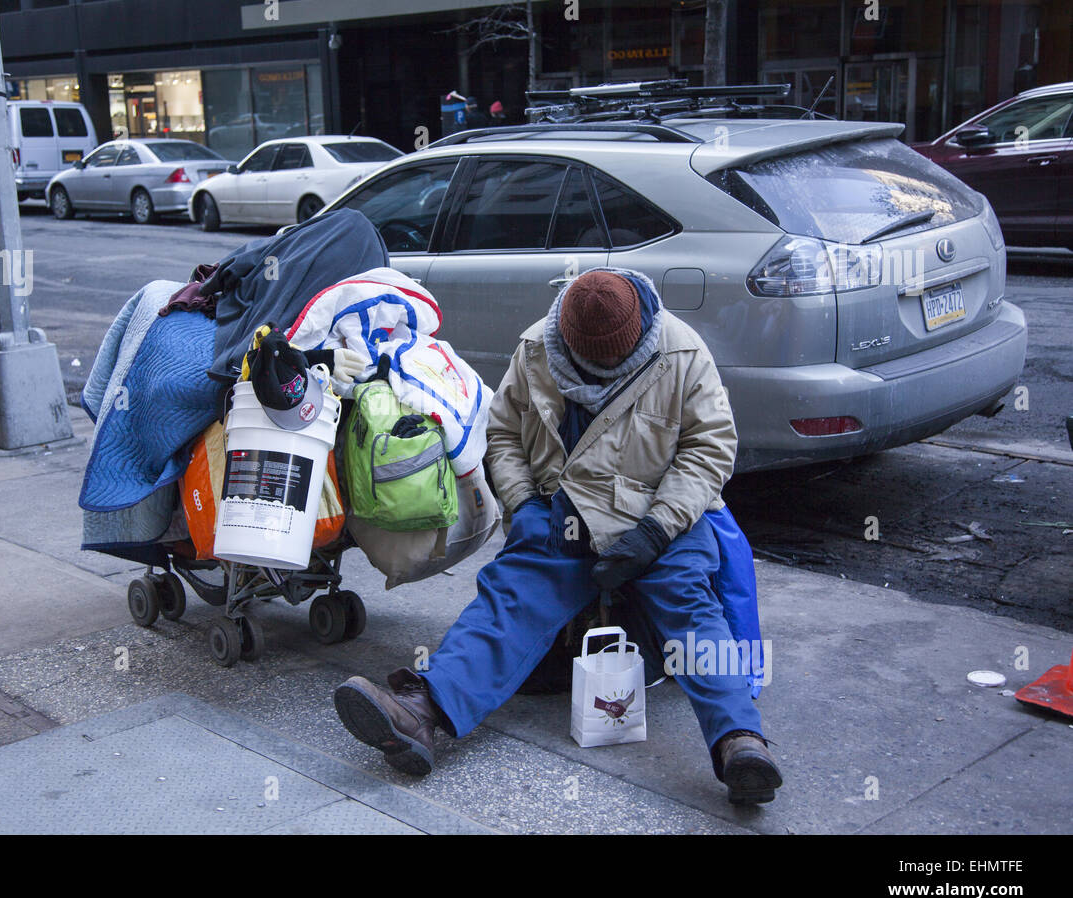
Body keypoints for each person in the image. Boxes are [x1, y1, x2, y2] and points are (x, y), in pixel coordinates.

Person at [334, 268, 784, 805]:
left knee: (689, 605)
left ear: (636, 337)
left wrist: (656, 530)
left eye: (606, 364)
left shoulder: (683, 355)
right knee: (512, 597)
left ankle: (740, 740)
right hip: (560, 509)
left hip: (658, 516)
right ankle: (421, 711)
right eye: (582, 361)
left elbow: (709, 450)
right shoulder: (535, 348)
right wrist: (522, 504)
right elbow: (501, 434)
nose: (591, 370)